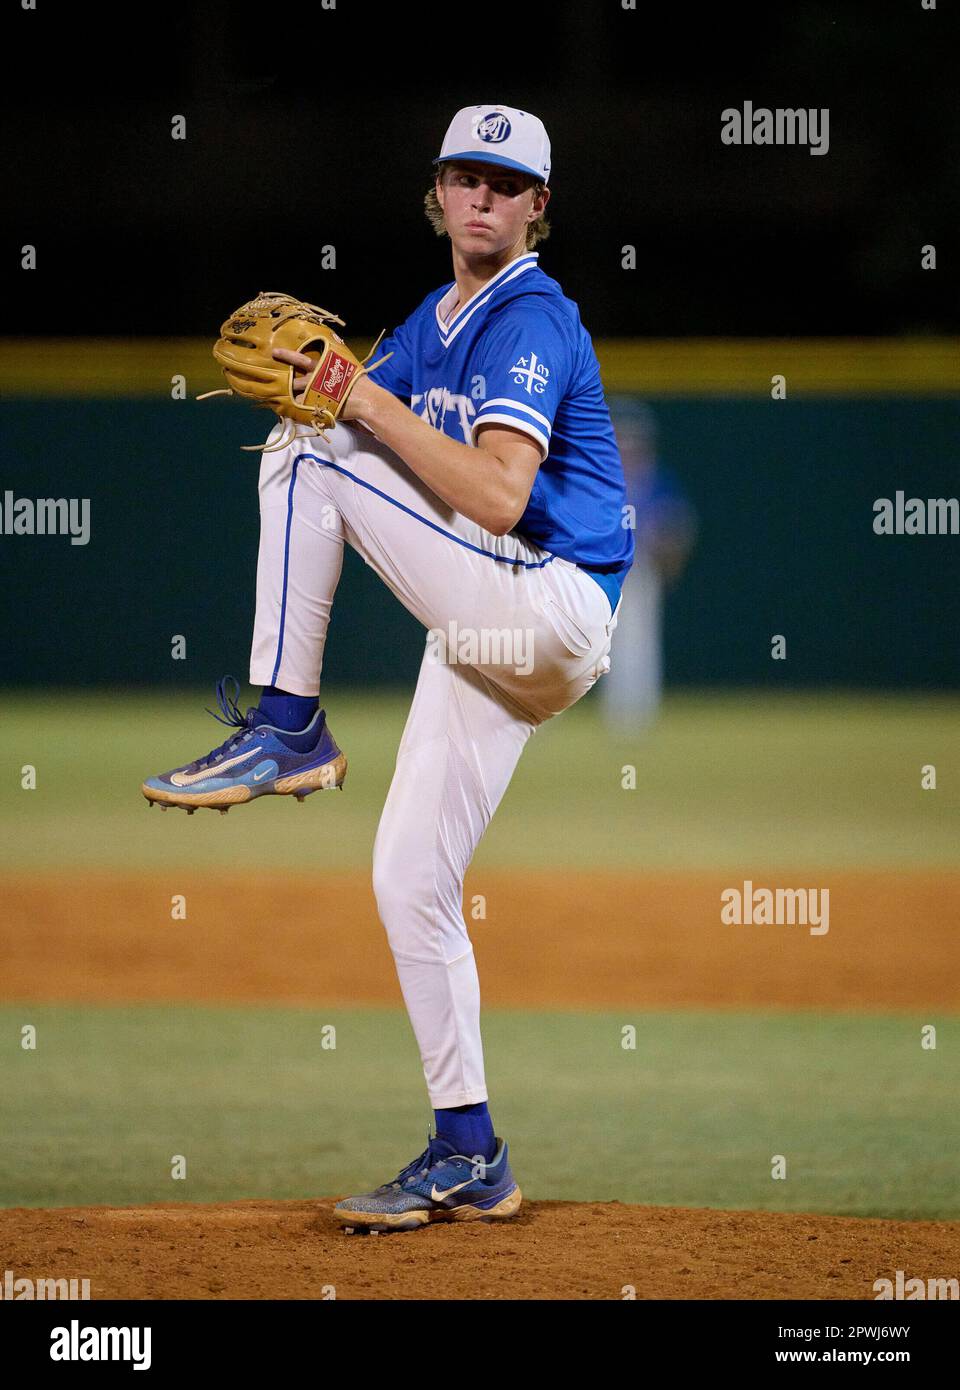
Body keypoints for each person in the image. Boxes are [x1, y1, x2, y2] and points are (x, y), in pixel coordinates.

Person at [142, 104, 634, 1233]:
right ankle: (471, 1152)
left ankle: (288, 720)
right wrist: (361, 389)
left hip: (550, 603)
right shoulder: (431, 319)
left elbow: (502, 494)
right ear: (437, 189)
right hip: (493, 627)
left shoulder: (530, 317)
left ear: (537, 208)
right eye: (466, 175)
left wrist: (353, 394)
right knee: (409, 878)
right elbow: (392, 435)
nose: (482, 198)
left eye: (506, 185)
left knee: (312, 441)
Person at [602, 399, 697, 729]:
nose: (627, 448)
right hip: (595, 568)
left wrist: (669, 555)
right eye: (621, 439)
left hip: (638, 568)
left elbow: (676, 524)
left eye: (633, 441)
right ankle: (545, 708)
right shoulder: (599, 476)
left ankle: (631, 715)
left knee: (635, 641)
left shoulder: (655, 479)